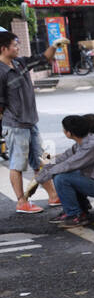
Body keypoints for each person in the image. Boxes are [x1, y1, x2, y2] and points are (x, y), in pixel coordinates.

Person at [0, 29, 59, 213]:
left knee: (42, 160)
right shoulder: (1, 73)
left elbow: (44, 58)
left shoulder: (20, 63)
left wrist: (55, 46)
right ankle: (21, 202)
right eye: (15, 45)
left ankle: (53, 196)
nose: (18, 47)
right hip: (15, 126)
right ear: (3, 48)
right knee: (17, 164)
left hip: (32, 123)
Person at [33, 114, 94, 227]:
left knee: (62, 178)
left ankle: (75, 215)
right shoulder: (83, 142)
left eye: (64, 129)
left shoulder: (91, 146)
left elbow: (68, 164)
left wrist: (37, 180)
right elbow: (62, 158)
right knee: (62, 173)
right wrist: (43, 172)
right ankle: (81, 209)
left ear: (68, 133)